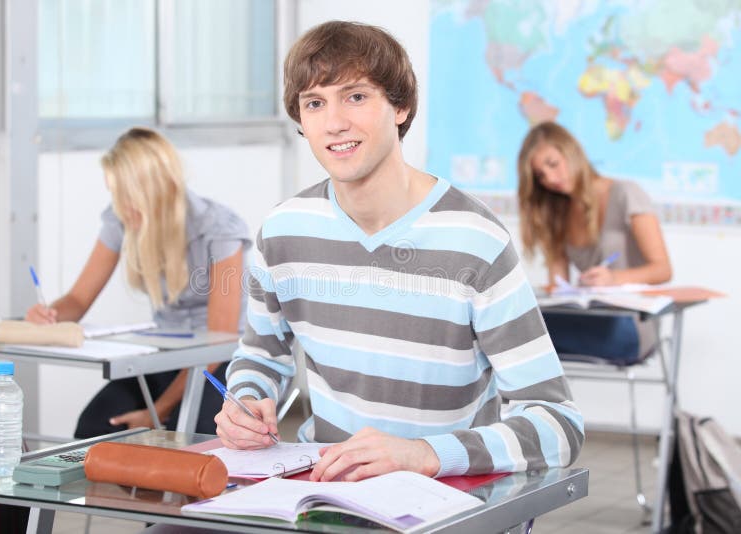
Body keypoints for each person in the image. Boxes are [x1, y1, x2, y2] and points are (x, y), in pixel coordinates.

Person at [215, 21, 583, 482]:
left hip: (444, 496)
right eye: (314, 103)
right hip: (322, 488)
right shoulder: (283, 231)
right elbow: (260, 355)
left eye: (355, 96)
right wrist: (246, 401)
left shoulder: (475, 239)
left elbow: (558, 424)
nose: (334, 123)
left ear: (401, 107)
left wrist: (424, 454)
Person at [25, 127, 250, 438]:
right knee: (93, 427)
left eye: (127, 196)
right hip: (168, 354)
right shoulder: (121, 217)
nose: (121, 206)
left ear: (153, 190)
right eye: (115, 195)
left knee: (186, 433)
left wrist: (157, 412)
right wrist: (49, 315)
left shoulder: (220, 230)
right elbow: (78, 299)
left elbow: (218, 342)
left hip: (223, 362)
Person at [517, 121, 672, 362]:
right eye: (541, 176)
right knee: (515, 327)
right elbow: (558, 287)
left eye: (553, 164)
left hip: (631, 323)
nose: (551, 178)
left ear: (571, 152)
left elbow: (663, 270)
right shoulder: (558, 212)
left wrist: (614, 279)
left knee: (518, 337)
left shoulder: (626, 193)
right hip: (589, 318)